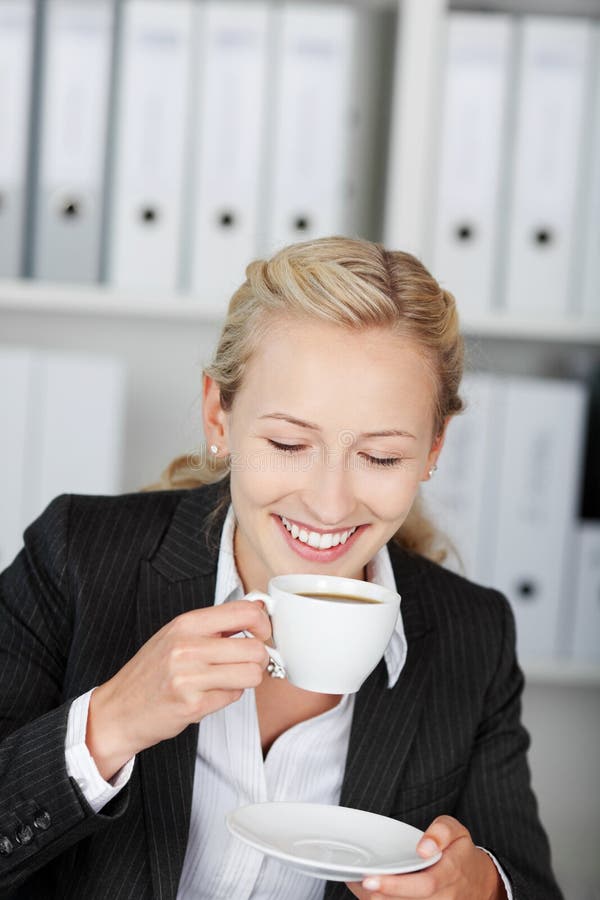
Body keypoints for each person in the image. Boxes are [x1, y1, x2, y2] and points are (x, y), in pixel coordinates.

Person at [0, 236, 562, 900]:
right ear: (219, 413)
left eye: (380, 457)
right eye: (290, 443)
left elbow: (524, 883)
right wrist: (110, 724)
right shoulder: (77, 556)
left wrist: (478, 890)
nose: (329, 503)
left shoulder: (474, 633)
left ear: (433, 449)